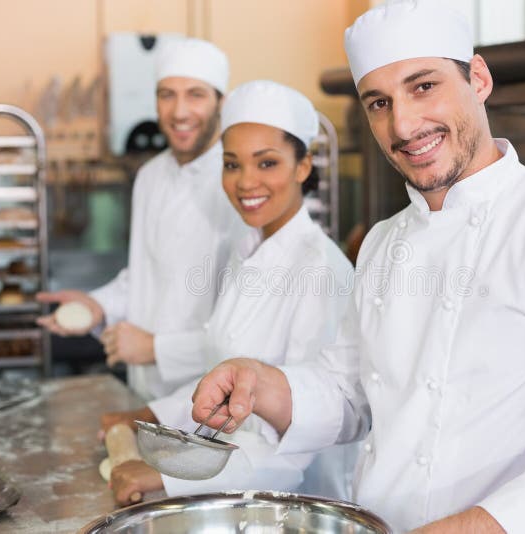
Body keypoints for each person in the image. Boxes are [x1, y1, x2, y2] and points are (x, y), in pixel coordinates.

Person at [189, 2, 525, 533]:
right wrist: (259, 382)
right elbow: (350, 394)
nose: (404, 124)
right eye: (379, 102)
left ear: (477, 78)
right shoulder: (382, 243)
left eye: (423, 86)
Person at [101, 80, 357, 506]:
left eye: (267, 163)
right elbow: (223, 376)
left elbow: (301, 444)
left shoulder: (321, 273)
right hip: (236, 491)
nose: (245, 182)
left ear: (304, 166)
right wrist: (151, 417)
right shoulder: (248, 250)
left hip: (296, 502)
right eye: (232, 164)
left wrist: (166, 479)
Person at [36, 38, 243, 401]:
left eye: (195, 94)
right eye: (167, 95)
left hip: (214, 400)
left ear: (221, 103)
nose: (179, 112)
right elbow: (146, 276)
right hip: (145, 390)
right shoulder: (150, 176)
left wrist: (157, 349)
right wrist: (98, 304)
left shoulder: (241, 184)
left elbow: (250, 321)